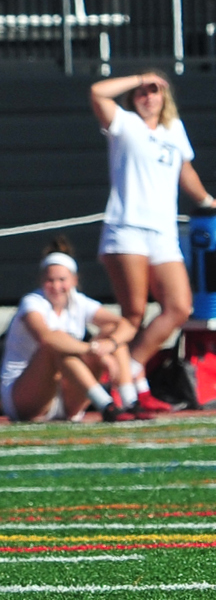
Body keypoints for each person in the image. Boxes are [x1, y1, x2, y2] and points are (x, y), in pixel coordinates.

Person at [90, 71, 216, 415]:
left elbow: (184, 170)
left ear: (165, 96)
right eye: (143, 92)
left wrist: (207, 200)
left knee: (179, 307)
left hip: (163, 232)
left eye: (155, 90)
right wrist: (138, 78)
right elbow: (98, 92)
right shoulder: (125, 124)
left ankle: (130, 368)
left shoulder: (174, 130)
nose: (148, 96)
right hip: (127, 227)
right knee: (134, 312)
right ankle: (133, 387)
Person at [0, 240, 135, 423]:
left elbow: (125, 325)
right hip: (25, 396)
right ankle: (106, 405)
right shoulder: (32, 303)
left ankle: (131, 403)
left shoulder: (79, 302)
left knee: (112, 332)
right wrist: (93, 349)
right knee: (57, 344)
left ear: (74, 280)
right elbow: (46, 338)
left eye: (62, 280)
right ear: (41, 281)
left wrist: (110, 344)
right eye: (50, 280)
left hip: (66, 394)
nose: (56, 287)